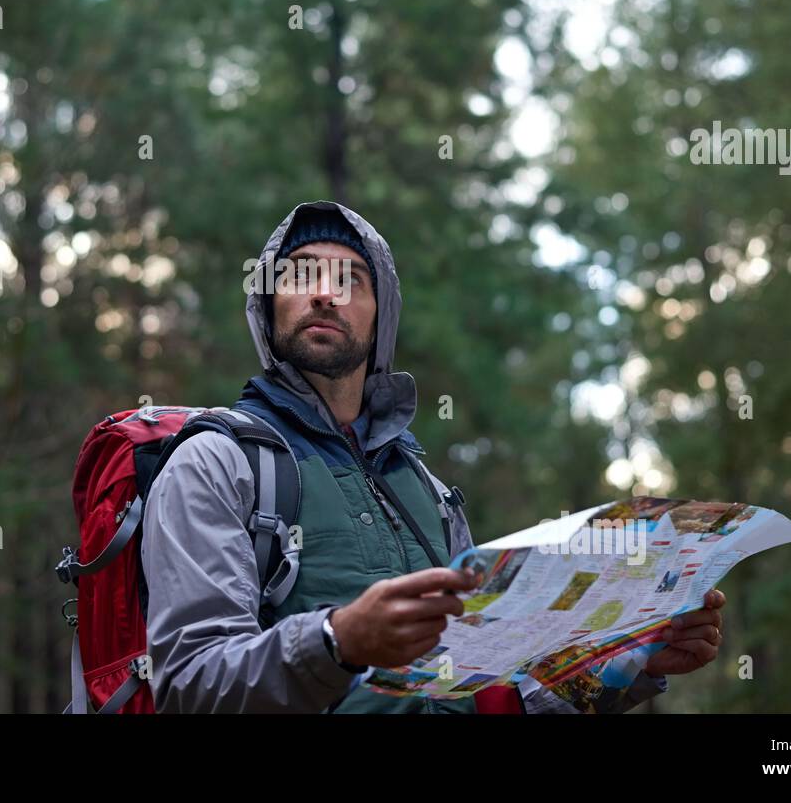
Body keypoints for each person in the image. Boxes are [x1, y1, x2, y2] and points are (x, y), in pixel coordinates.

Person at [141, 200, 725, 712]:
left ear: (382, 315)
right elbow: (191, 685)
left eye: (350, 280)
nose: (323, 293)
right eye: (300, 275)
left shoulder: (429, 494)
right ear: (268, 307)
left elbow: (485, 694)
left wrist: (629, 663)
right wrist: (337, 641)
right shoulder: (217, 463)